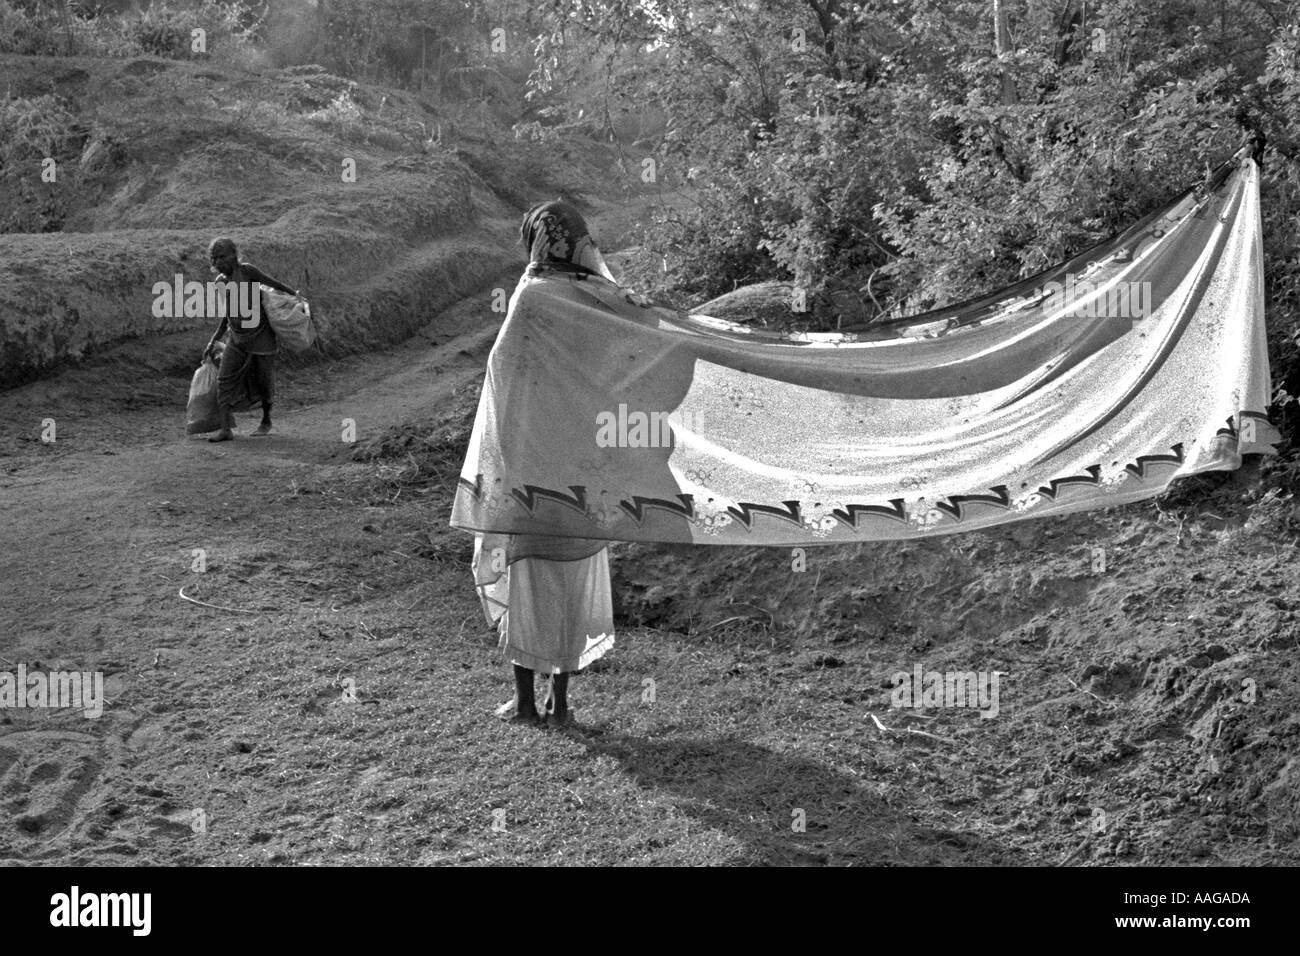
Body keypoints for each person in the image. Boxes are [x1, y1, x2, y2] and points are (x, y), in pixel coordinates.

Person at [476, 201, 619, 728]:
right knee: (570, 584)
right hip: (584, 467)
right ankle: (560, 702)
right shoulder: (602, 299)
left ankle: (528, 703)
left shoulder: (533, 296)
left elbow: (503, 373)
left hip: (532, 466)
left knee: (528, 578)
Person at [202, 237, 301, 442]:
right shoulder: (220, 282)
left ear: (234, 255)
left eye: (222, 256)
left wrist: (296, 297)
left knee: (263, 381)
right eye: (214, 258)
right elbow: (227, 315)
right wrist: (213, 341)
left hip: (261, 336)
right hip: (237, 337)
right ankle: (225, 429)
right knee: (224, 380)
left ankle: (266, 420)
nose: (219, 261)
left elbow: (274, 284)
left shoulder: (248, 272)